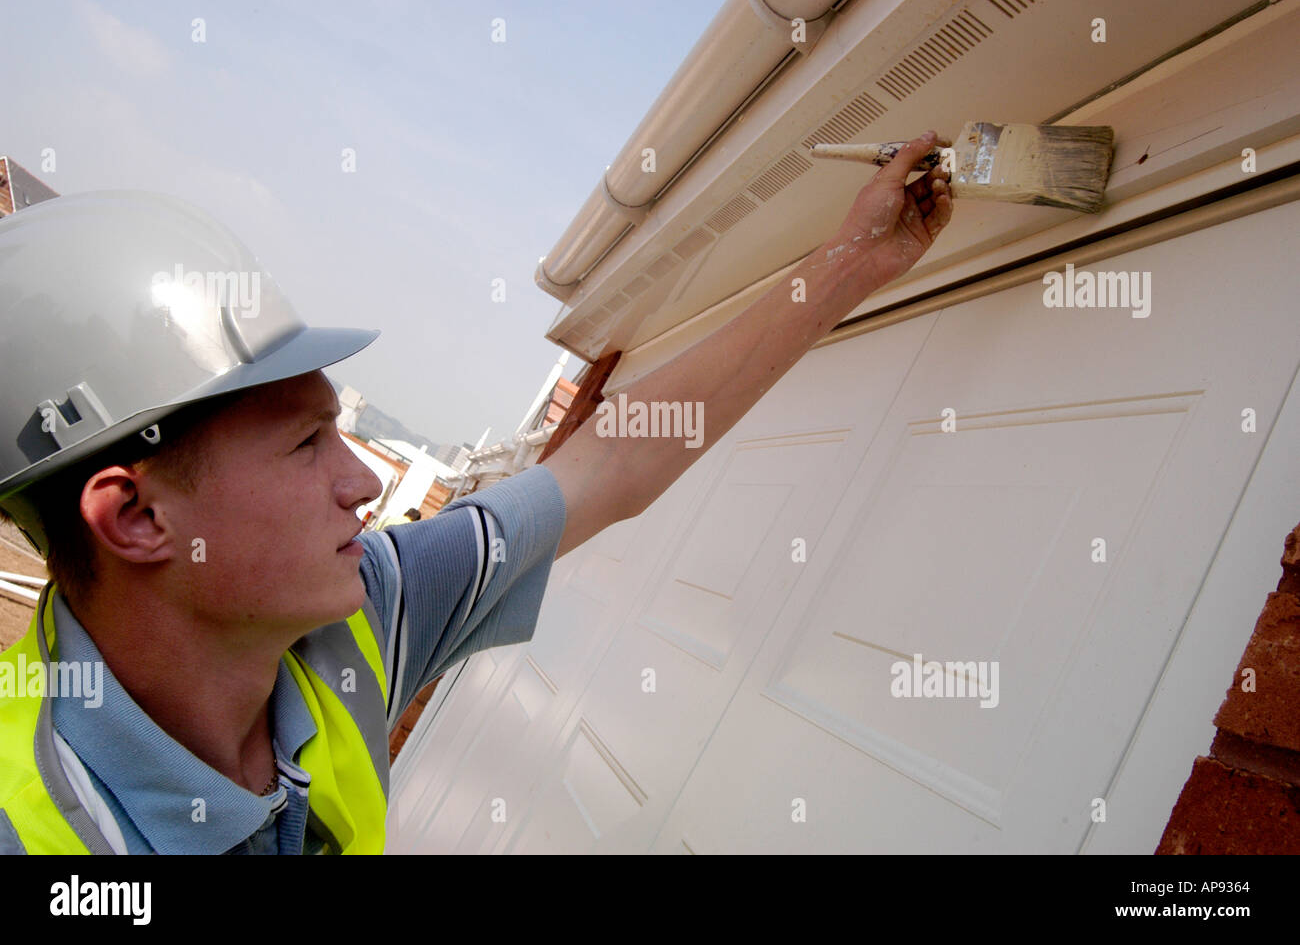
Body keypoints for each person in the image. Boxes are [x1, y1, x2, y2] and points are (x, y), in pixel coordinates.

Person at [0, 133, 951, 854]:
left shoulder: (358, 615)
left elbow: (608, 465)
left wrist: (850, 267)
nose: (364, 480)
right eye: (304, 445)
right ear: (136, 516)